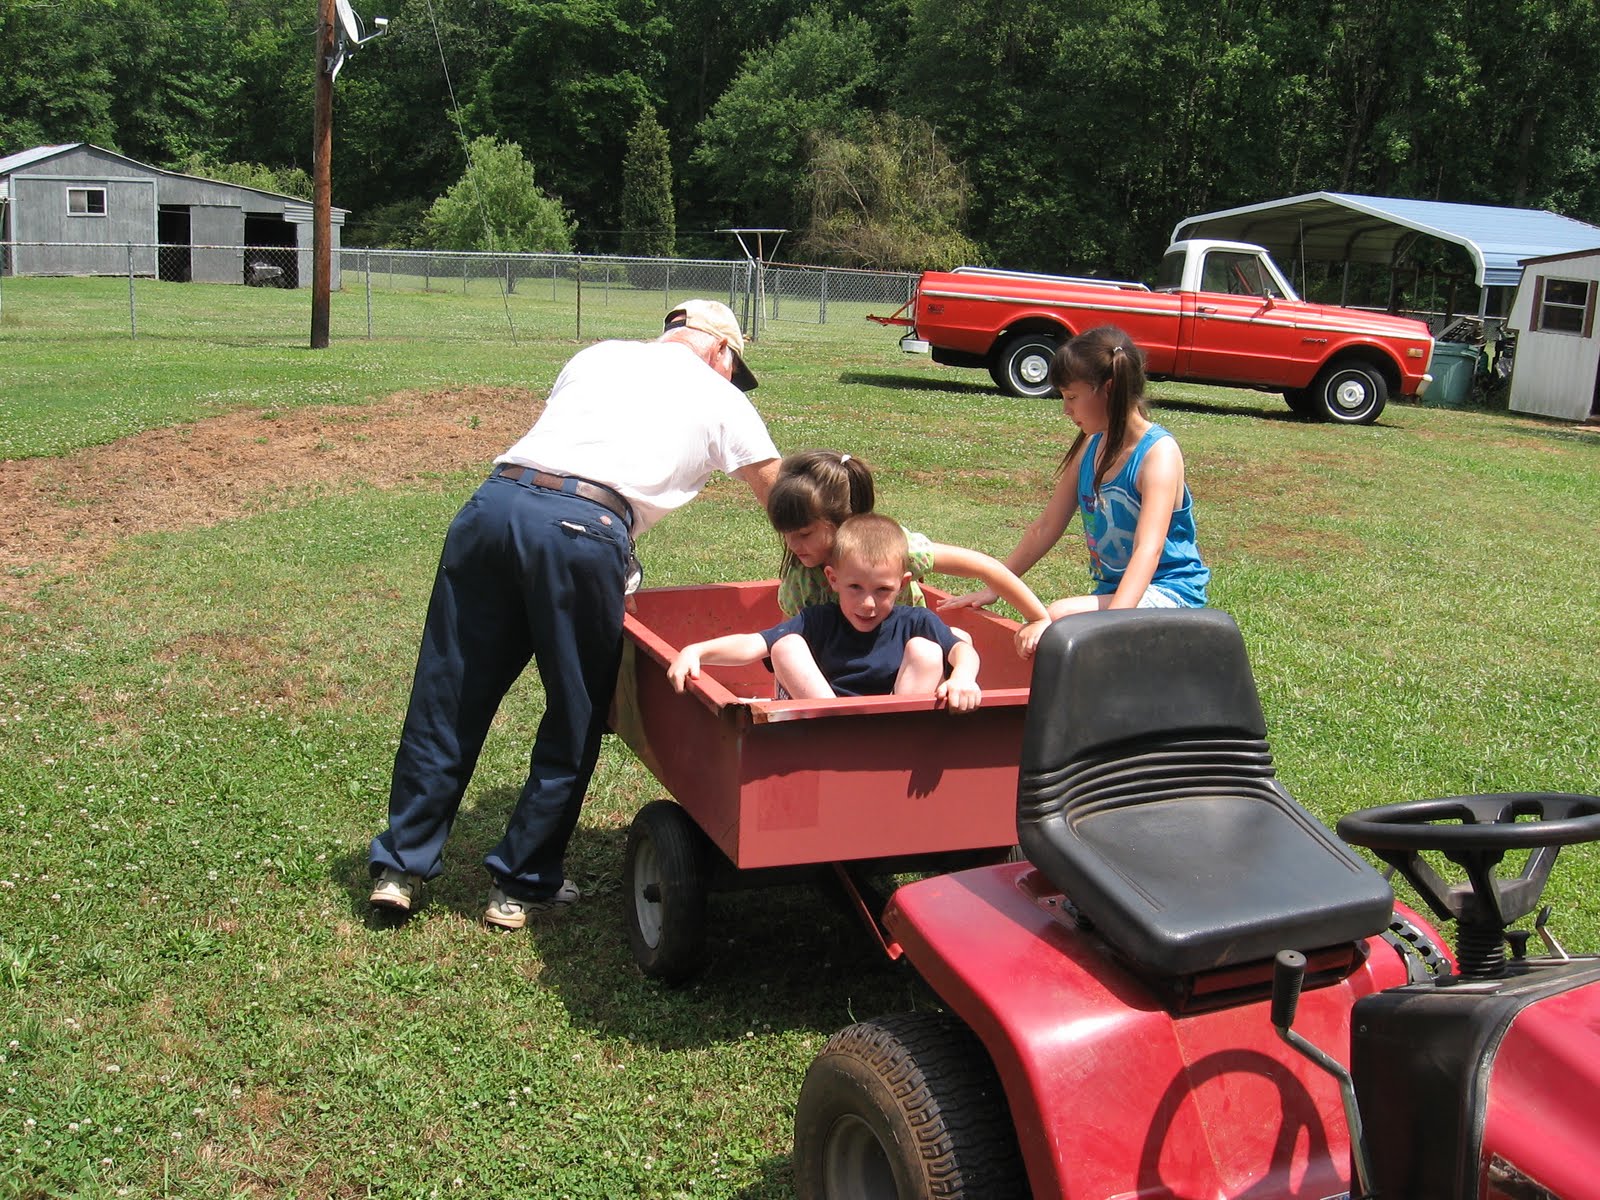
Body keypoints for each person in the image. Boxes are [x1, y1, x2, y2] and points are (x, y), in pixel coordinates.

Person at [369, 299, 780, 928]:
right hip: (581, 528)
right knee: (576, 709)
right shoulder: (723, 398)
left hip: (493, 506)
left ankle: (400, 866)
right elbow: (783, 496)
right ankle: (520, 883)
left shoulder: (596, 357)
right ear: (721, 351)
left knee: (448, 692)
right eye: (734, 364)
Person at [943, 325, 1208, 638]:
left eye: (1072, 396)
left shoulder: (1158, 454)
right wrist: (996, 585)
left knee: (1058, 618)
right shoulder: (1091, 444)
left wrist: (1112, 626)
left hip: (1172, 595)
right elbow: (1045, 527)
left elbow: (1147, 551)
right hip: (1120, 593)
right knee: (1057, 620)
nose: (1066, 409)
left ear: (1108, 389)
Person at [667, 514, 983, 711]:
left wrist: (964, 678)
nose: (868, 603)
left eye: (883, 590)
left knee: (929, 649)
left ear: (902, 585)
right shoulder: (818, 620)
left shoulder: (915, 622)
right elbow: (753, 644)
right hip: (821, 721)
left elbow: (962, 651)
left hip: (890, 723)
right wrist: (697, 650)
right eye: (855, 588)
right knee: (786, 644)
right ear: (833, 580)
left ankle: (898, 743)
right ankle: (833, 725)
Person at [764, 449, 1051, 654]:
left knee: (936, 649)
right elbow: (786, 636)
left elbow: (983, 566)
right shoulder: (801, 580)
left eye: (803, 534)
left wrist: (1037, 617)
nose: (792, 544)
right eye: (785, 534)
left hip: (907, 655)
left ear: (842, 522)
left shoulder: (891, 549)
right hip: (844, 673)